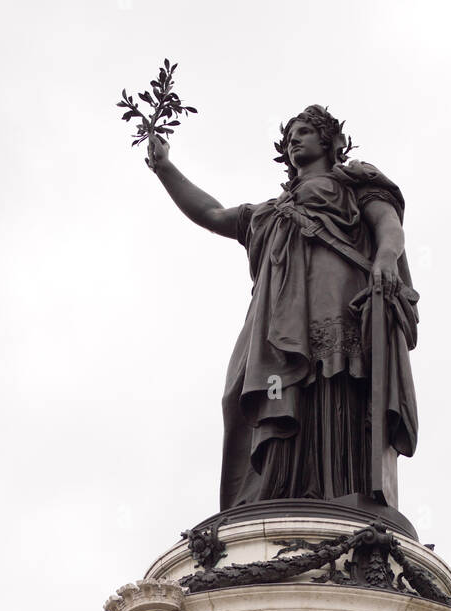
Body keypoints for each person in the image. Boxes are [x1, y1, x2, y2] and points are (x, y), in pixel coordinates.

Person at [147, 105, 419, 511]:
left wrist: (385, 259)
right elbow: (212, 214)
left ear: (333, 142)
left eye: (306, 131)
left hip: (335, 294)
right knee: (242, 392)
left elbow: (388, 225)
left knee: (331, 377)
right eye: (292, 134)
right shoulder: (268, 212)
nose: (296, 139)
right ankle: (272, 493)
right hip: (274, 316)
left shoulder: (352, 183)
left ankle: (337, 491)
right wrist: (165, 168)